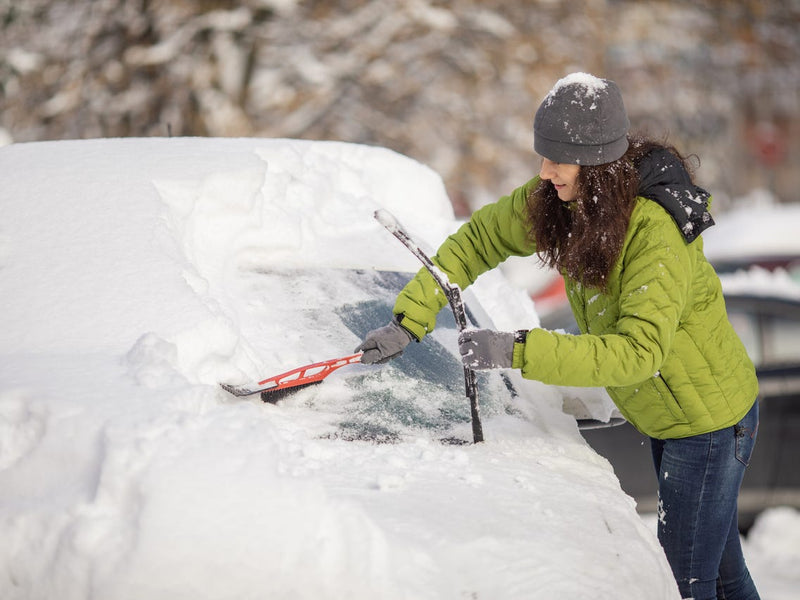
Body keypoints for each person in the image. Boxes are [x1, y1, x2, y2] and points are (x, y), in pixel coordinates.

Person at [355, 72, 761, 599]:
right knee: (724, 578)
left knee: (685, 584)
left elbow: (638, 352)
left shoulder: (652, 232)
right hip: (676, 417)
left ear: (596, 163)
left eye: (558, 159)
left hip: (708, 425)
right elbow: (479, 239)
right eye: (542, 156)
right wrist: (411, 316)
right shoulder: (561, 202)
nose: (545, 172)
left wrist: (517, 349)